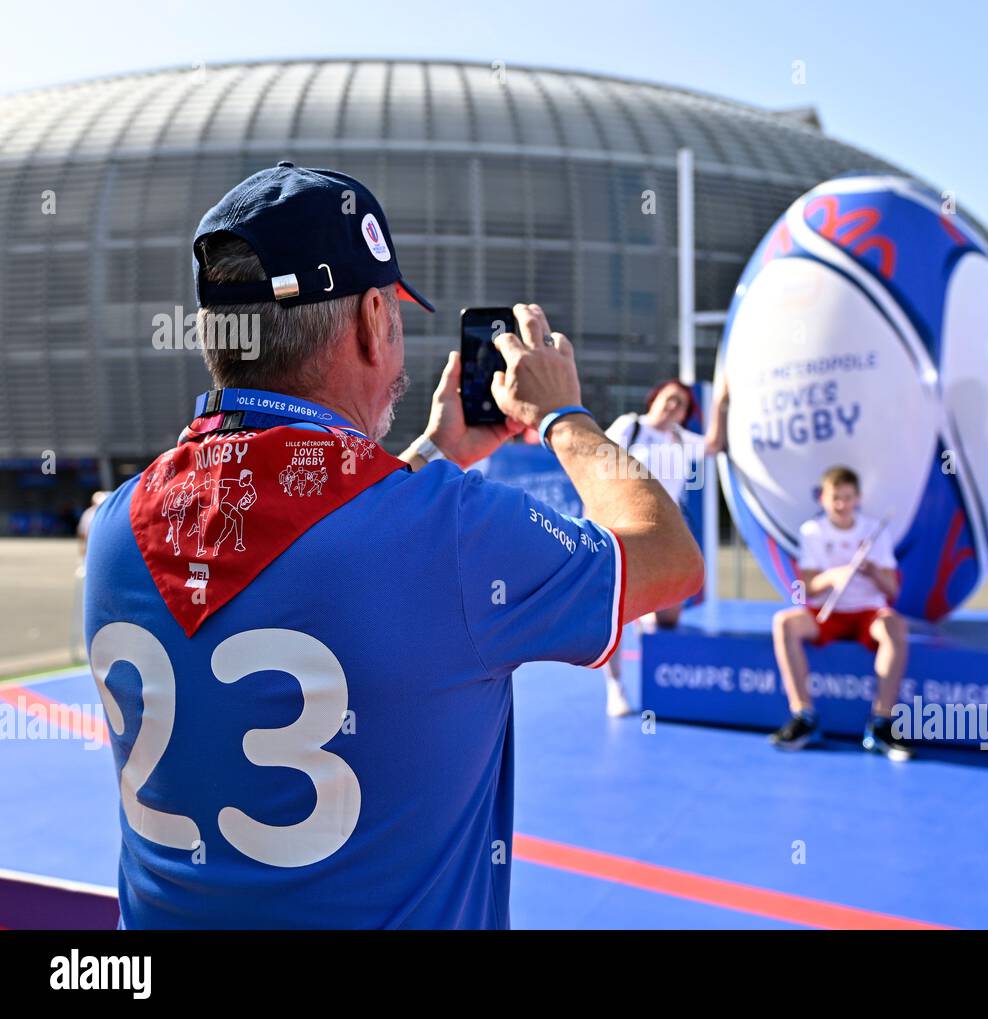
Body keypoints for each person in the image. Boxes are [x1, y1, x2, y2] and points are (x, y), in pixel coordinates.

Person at [82, 162, 702, 929]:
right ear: (374, 319)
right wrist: (563, 416)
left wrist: (433, 452)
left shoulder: (118, 527)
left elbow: (304, 540)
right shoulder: (455, 536)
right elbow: (669, 557)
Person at [768, 466, 910, 758]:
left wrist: (871, 571)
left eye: (848, 497)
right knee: (784, 623)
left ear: (858, 498)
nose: (842, 505)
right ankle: (804, 716)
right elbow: (804, 589)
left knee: (894, 627)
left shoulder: (874, 530)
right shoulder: (812, 531)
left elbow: (893, 590)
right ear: (823, 499)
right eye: (836, 498)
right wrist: (832, 576)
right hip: (827, 613)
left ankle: (881, 722)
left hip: (867, 612)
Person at [601, 379, 707, 715]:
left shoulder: (681, 440)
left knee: (669, 615)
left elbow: (716, 444)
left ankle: (662, 684)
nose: (673, 407)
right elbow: (597, 467)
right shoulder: (628, 427)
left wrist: (723, 396)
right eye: (670, 399)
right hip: (622, 530)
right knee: (616, 610)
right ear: (655, 395)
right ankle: (616, 687)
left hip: (665, 536)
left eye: (682, 405)